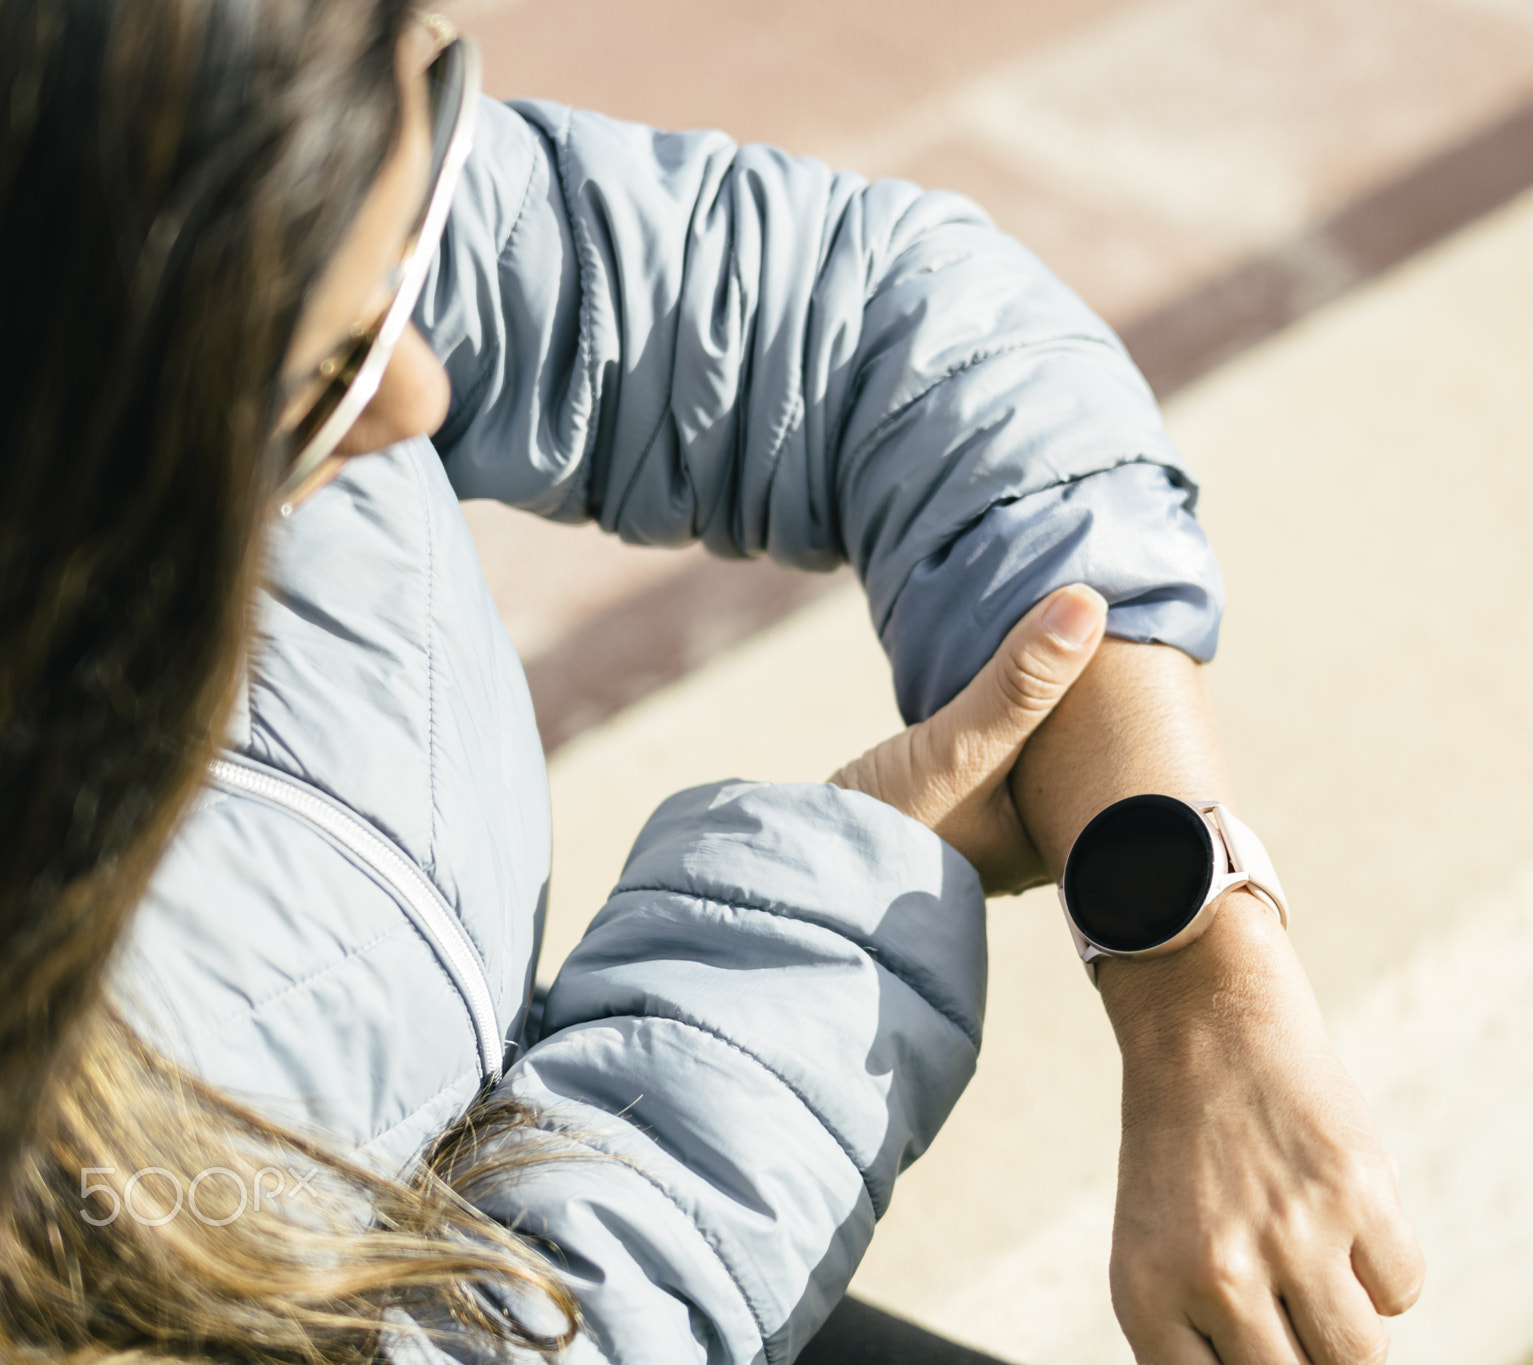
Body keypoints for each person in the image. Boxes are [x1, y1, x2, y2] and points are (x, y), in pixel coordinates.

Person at [0, 0, 1426, 1361]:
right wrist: (816, 940)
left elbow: (882, 321)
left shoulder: (177, 147)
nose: (418, 387)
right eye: (311, 375)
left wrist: (1197, 981)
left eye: (408, 237)